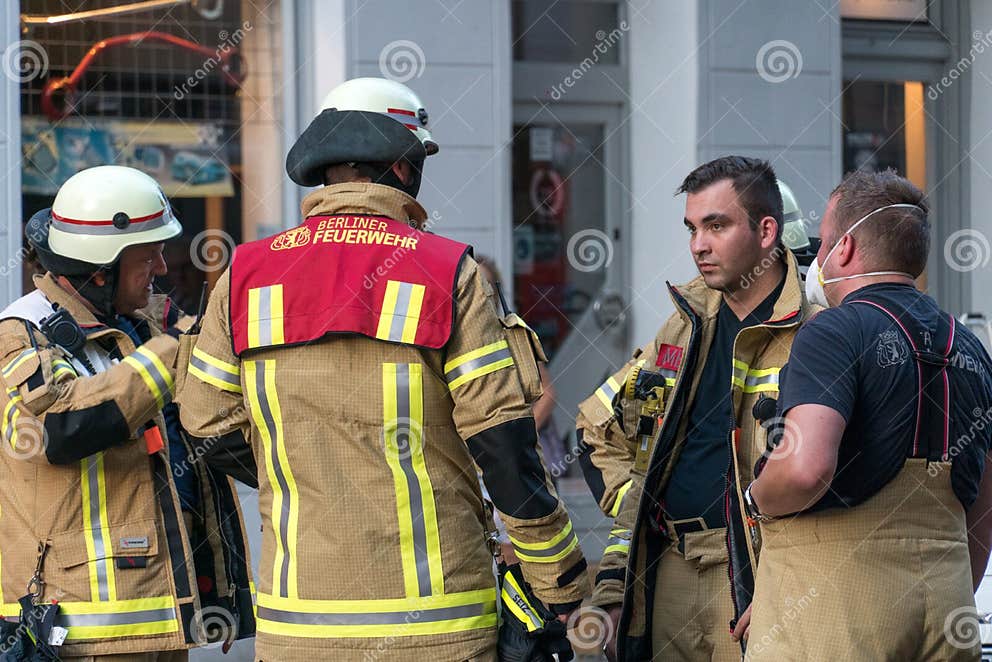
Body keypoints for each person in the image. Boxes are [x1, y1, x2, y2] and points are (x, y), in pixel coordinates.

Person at [174, 77, 590, 662]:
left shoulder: (244, 276)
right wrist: (561, 579)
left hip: (299, 625)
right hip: (437, 624)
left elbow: (206, 425)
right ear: (402, 166)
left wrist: (307, 471)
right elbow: (500, 442)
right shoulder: (446, 271)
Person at [0, 165, 254, 660]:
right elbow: (55, 428)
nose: (162, 267)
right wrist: (166, 356)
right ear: (101, 268)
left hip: (158, 613)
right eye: (149, 256)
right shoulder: (20, 335)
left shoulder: (137, 327)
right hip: (81, 628)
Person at [743, 169, 992, 660]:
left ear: (847, 248)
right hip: (946, 609)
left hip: (838, 619)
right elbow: (984, 506)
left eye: (827, 239)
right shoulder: (969, 347)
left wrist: (755, 499)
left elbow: (806, 468)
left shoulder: (834, 332)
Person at [581, 157, 817, 661]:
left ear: (767, 231)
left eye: (717, 225)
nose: (698, 246)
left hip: (756, 578)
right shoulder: (684, 326)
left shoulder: (817, 330)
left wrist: (786, 583)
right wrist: (635, 508)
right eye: (692, 228)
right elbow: (599, 430)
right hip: (669, 569)